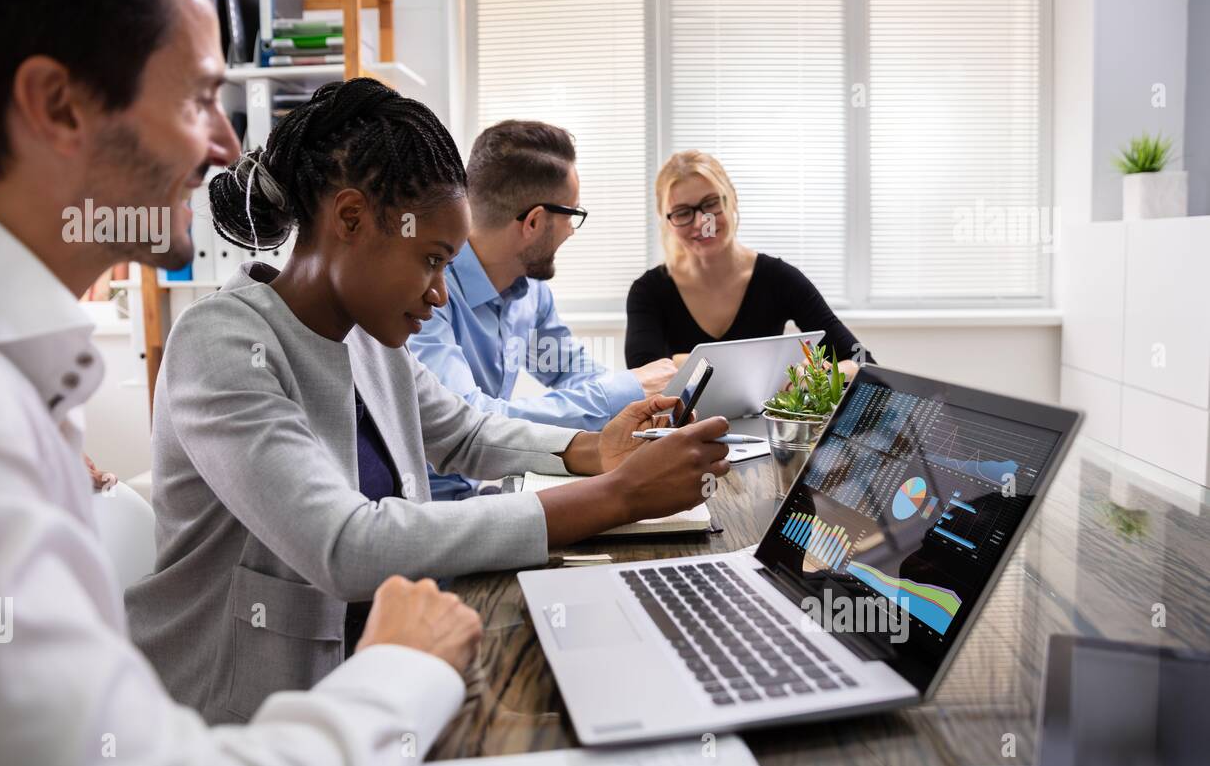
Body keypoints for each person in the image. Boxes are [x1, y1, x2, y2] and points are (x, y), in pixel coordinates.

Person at [0, 0, 485, 766]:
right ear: (59, 105)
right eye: (198, 100)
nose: (224, 146)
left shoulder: (6, 369)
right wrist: (407, 667)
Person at [124, 79, 732, 723]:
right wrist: (619, 495)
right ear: (351, 219)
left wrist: (592, 451)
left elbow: (466, 434)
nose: (442, 294)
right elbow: (345, 545)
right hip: (231, 726)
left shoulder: (367, 335)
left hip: (372, 682)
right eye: (431, 260)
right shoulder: (219, 343)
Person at [408, 120, 676, 500]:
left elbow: (566, 370)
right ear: (534, 222)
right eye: (571, 216)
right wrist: (624, 390)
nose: (570, 231)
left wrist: (643, 399)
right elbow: (470, 419)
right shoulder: (427, 294)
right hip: (426, 502)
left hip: (489, 487)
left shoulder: (529, 293)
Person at [625, 150, 873, 383]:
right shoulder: (648, 291)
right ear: (667, 221)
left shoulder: (779, 278)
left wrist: (808, 377)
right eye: (682, 212)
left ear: (732, 200)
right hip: (683, 428)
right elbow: (643, 379)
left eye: (711, 203)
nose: (702, 222)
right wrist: (773, 368)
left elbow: (862, 362)